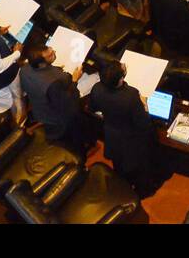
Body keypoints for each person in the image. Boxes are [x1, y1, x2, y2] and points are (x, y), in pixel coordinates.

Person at [88, 59, 165, 197]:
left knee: (120, 167)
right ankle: (144, 192)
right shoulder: (131, 95)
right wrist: (145, 107)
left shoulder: (97, 89)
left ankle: (125, 189)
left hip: (112, 136)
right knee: (141, 169)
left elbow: (93, 108)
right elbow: (144, 124)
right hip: (132, 140)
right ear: (121, 79)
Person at [20, 40, 95, 154]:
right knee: (75, 138)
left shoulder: (24, 70)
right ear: (41, 63)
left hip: (41, 111)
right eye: (50, 54)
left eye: (52, 50)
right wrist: (74, 80)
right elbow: (70, 105)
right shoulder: (53, 84)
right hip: (59, 119)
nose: (54, 52)